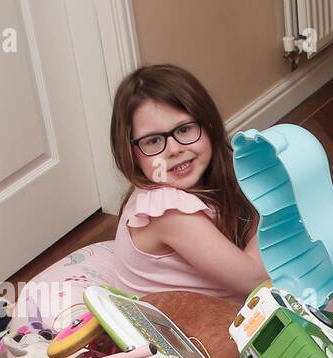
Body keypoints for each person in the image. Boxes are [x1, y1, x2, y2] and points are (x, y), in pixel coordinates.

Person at [110, 64, 266, 300]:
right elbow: (254, 280)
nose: (173, 149)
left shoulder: (170, 182)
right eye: (152, 141)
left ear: (208, 124)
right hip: (194, 327)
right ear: (131, 152)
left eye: (184, 129)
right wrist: (272, 207)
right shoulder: (168, 211)